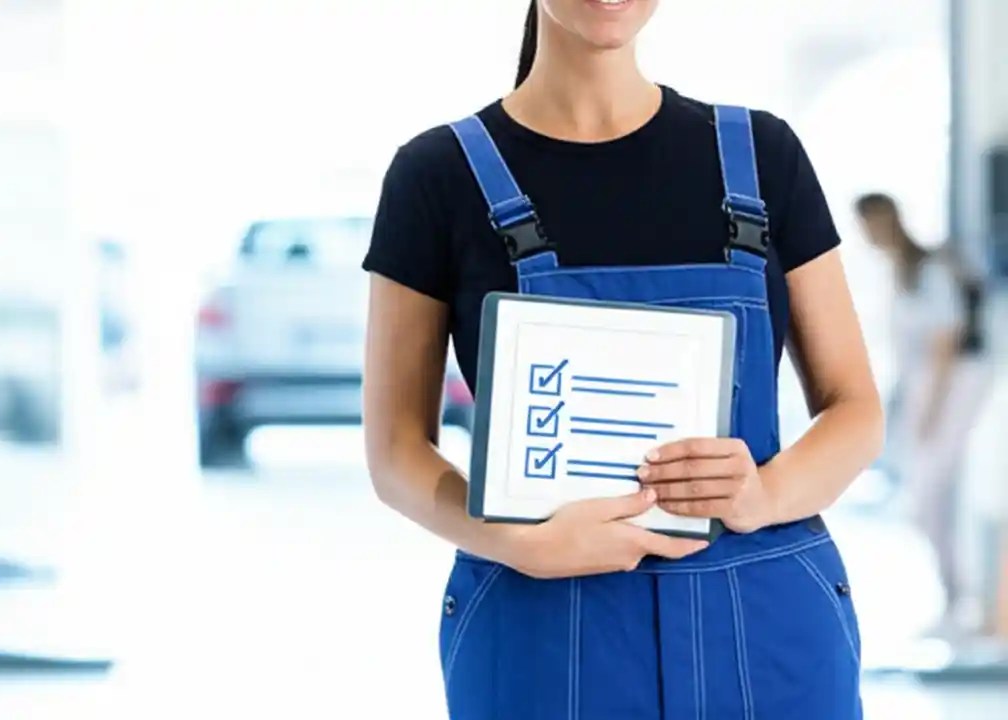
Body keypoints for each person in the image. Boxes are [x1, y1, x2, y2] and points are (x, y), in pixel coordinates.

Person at [361, 2, 883, 718]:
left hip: (767, 625)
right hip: (542, 631)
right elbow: (395, 451)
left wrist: (766, 493)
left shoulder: (764, 156)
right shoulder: (435, 176)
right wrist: (514, 543)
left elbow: (855, 409)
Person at [855, 193, 994, 635]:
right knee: (927, 500)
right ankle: (956, 601)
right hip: (926, 394)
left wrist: (930, 412)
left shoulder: (930, 270)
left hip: (950, 392)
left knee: (930, 496)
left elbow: (944, 344)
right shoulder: (900, 274)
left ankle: (962, 603)